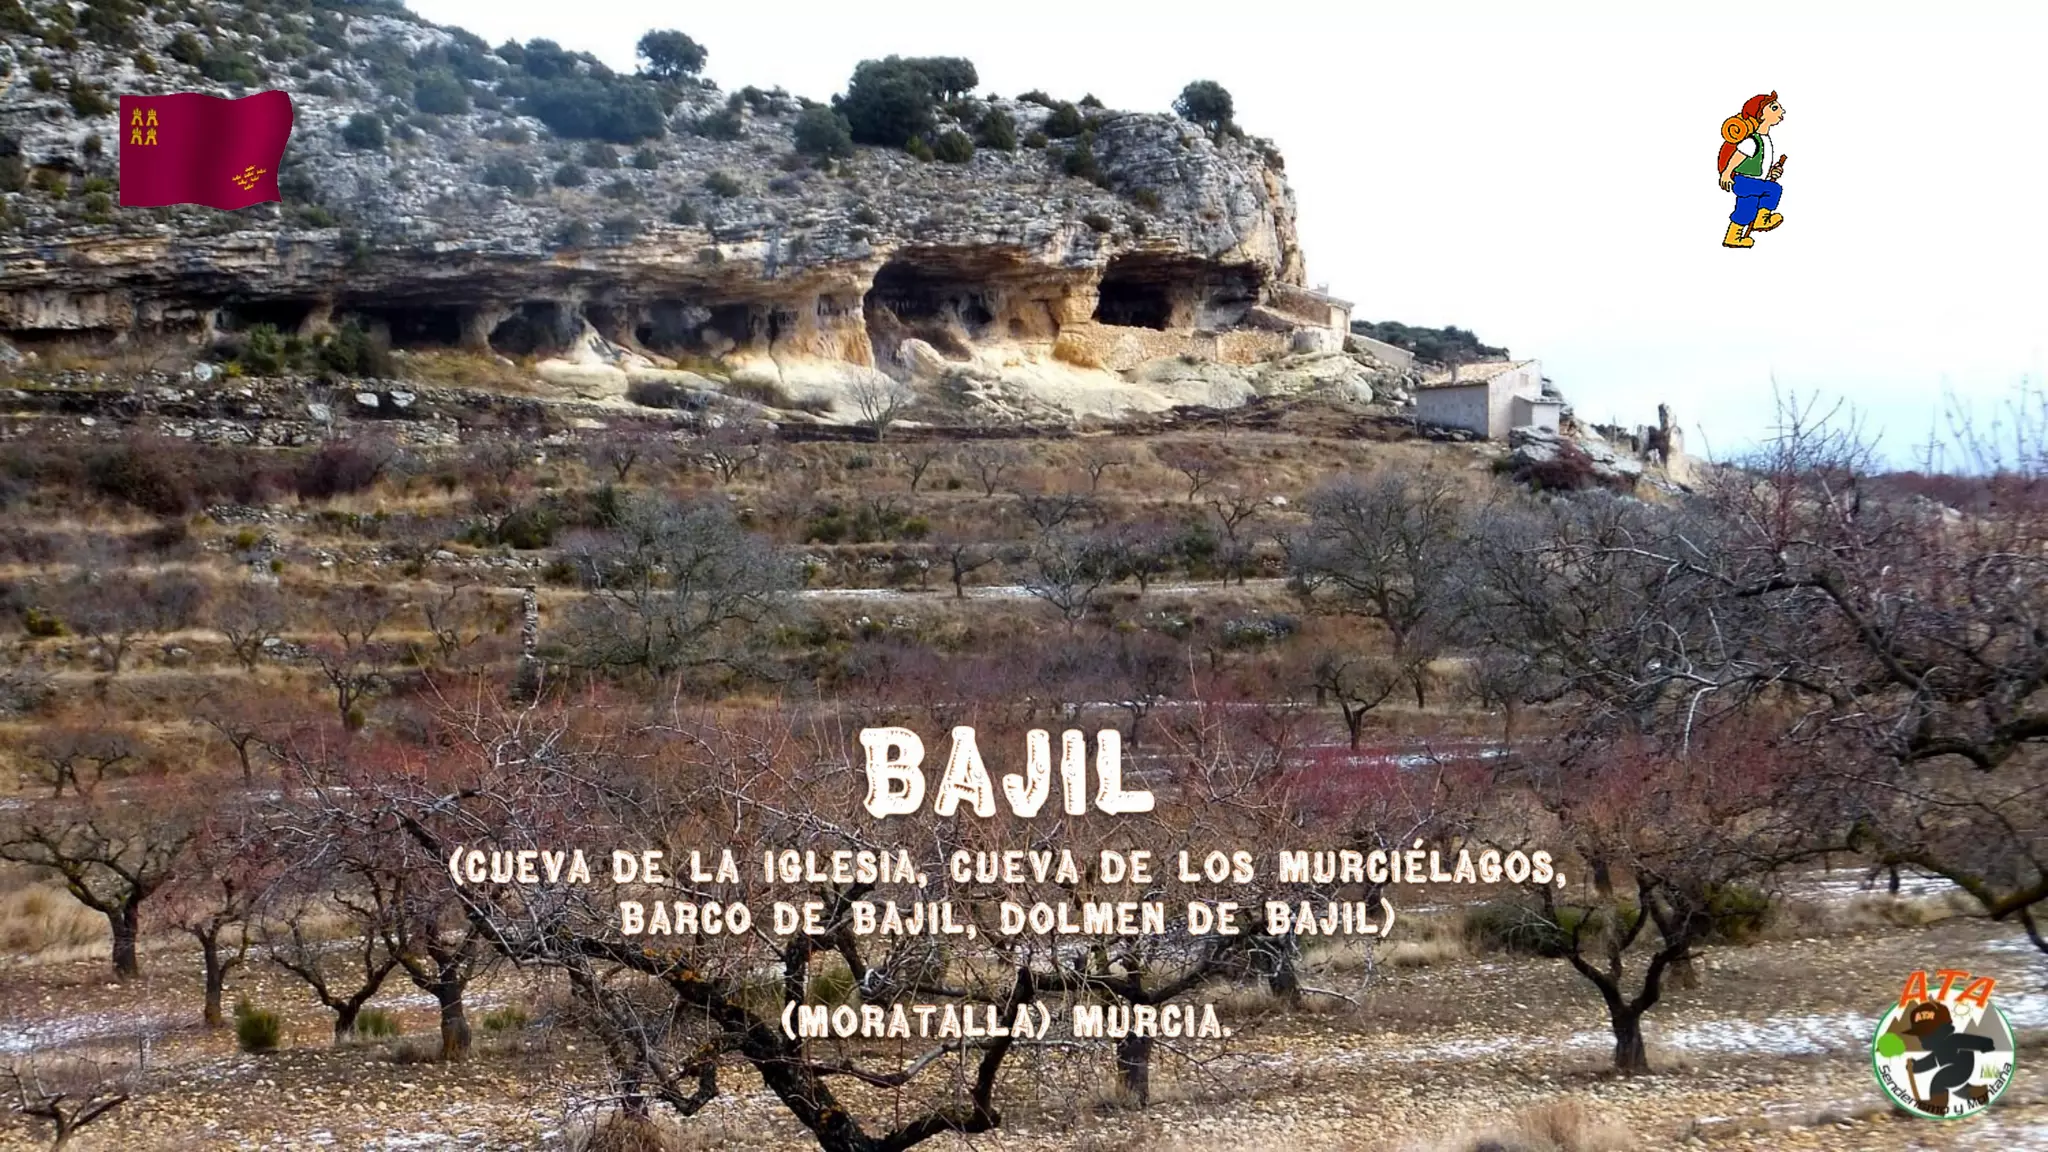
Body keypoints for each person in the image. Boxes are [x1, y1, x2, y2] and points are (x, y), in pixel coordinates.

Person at [1717, 92, 1787, 248]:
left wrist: (1771, 173)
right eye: (1774, 108)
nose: (1782, 111)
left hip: (1752, 180)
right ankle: (1761, 219)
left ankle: (1733, 237)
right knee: (1773, 189)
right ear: (1761, 115)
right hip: (1744, 181)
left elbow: (1759, 165)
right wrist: (1727, 173)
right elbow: (1737, 157)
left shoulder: (1765, 139)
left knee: (1747, 208)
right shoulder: (1752, 140)